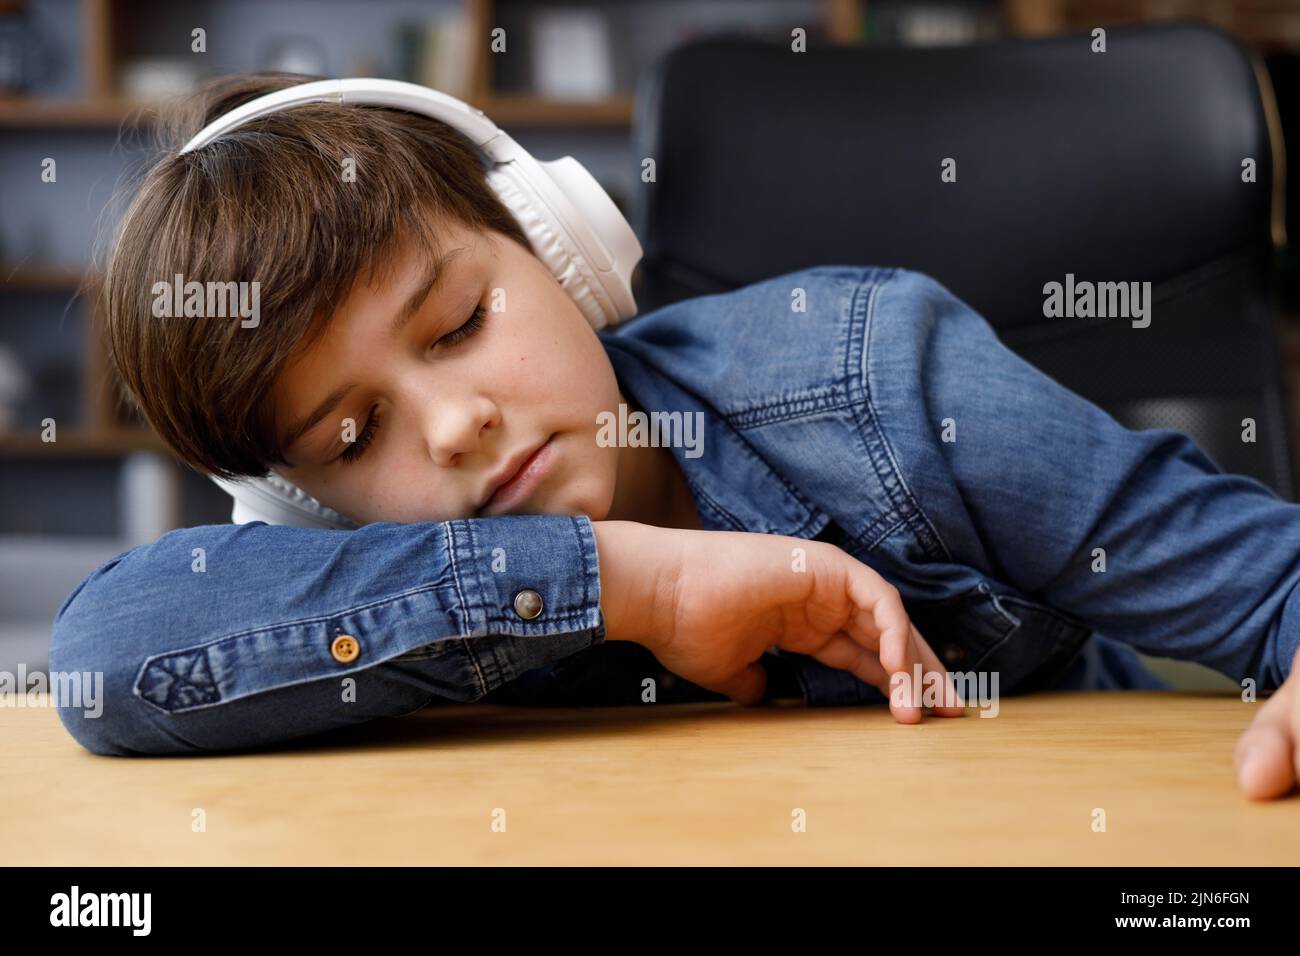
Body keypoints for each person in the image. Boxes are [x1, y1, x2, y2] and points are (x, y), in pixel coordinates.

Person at [51, 73, 1300, 802]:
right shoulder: (383, 561)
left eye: (457, 324)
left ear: (559, 243)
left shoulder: (878, 379)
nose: (454, 423)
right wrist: (628, 582)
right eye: (351, 432)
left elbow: (1274, 585)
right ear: (306, 509)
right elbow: (107, 660)